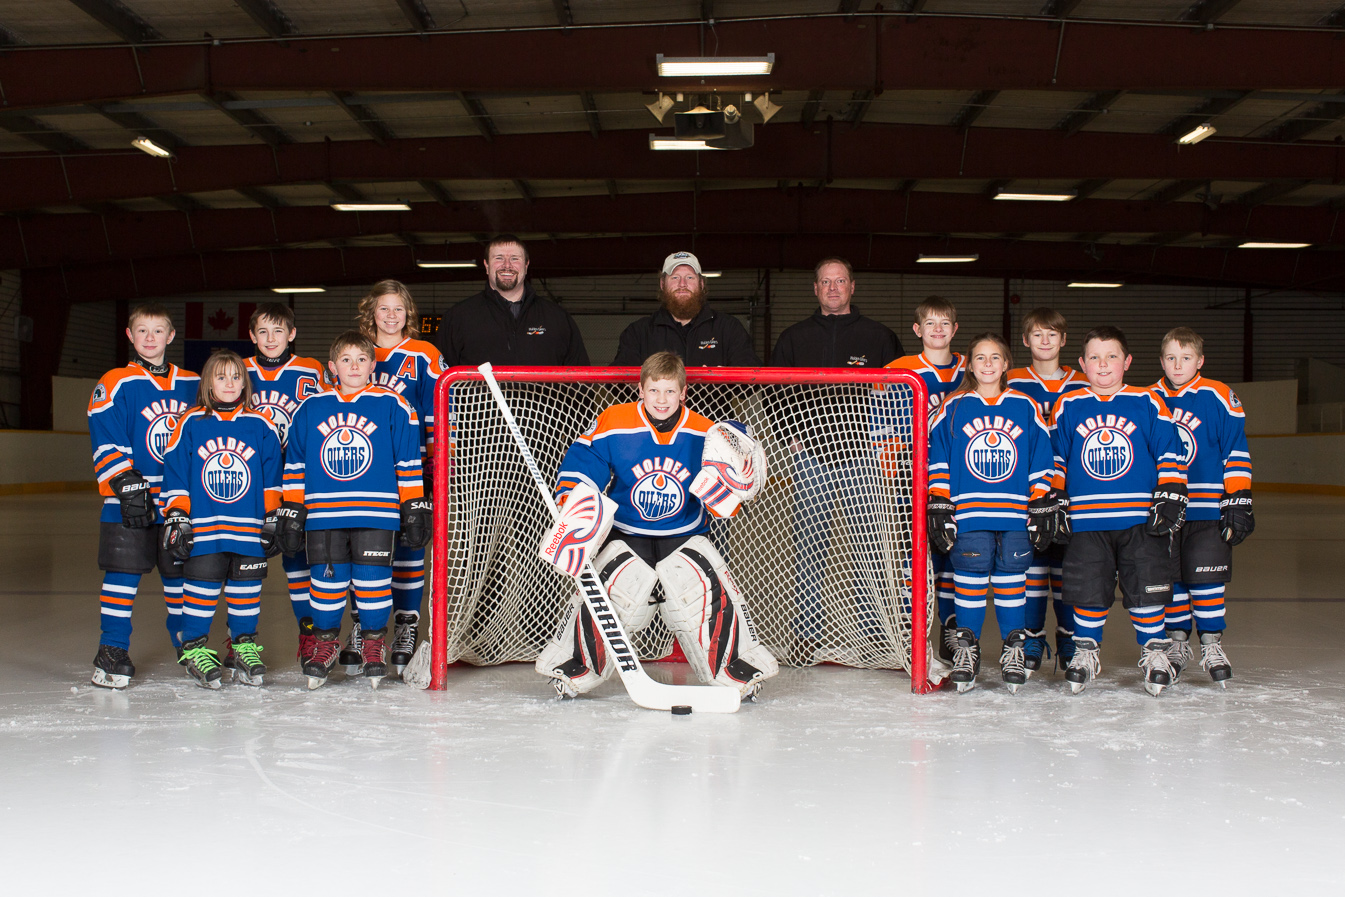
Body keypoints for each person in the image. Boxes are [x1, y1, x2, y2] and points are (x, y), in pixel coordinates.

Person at [534, 351, 778, 700]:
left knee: (705, 592)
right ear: (640, 390)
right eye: (653, 390)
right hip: (627, 532)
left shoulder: (705, 431)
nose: (661, 400)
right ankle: (575, 666)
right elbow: (586, 462)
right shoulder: (615, 421)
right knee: (609, 591)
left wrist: (731, 484)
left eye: (669, 391)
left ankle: (736, 667)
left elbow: (726, 494)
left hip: (684, 533)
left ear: (683, 393)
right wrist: (573, 501)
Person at [274, 331, 431, 689]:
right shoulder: (311, 407)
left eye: (361, 359)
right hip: (324, 515)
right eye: (346, 360)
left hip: (377, 513)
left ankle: (373, 646)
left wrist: (412, 505)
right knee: (326, 585)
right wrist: (293, 508)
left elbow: (407, 461)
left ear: (373, 365)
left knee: (372, 583)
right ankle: (326, 644)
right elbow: (295, 464)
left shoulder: (394, 405)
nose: (354, 366)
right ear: (332, 367)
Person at [771, 257, 904, 663]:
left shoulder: (879, 337)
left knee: (869, 551)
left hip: (863, 458)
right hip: (811, 457)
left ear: (852, 286)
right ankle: (806, 635)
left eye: (840, 281)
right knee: (809, 549)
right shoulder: (794, 338)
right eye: (825, 282)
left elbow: (900, 395)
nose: (832, 288)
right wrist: (791, 440)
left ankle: (875, 636)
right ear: (815, 289)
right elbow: (775, 393)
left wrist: (886, 444)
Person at [1050, 326, 1189, 696]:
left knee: (1147, 587)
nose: (1103, 364)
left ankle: (1155, 652)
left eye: (1111, 356)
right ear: (1082, 364)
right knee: (1088, 590)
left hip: (1140, 519)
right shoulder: (1069, 404)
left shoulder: (1147, 401)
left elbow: (1168, 451)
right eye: (1094, 357)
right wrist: (1055, 495)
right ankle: (1085, 652)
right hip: (1086, 521)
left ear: (1127, 362)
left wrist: (1172, 489)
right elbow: (1058, 457)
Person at [926, 333, 1056, 693]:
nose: (987, 364)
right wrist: (940, 500)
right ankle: (967, 650)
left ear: (1006, 363)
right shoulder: (954, 406)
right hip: (969, 513)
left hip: (1014, 513)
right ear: (970, 364)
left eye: (995, 357)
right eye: (980, 357)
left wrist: (1040, 498)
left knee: (1011, 577)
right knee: (969, 575)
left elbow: (1040, 455)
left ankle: (1013, 649)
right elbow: (939, 455)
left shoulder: (1024, 405)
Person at [87, 302, 199, 689]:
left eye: (158, 331)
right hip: (128, 500)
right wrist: (124, 482)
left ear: (171, 335)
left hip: (177, 503)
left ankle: (189, 644)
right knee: (122, 576)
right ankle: (112, 649)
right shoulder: (115, 381)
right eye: (142, 331)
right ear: (130, 335)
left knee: (181, 579)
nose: (150, 338)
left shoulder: (192, 383)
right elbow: (105, 433)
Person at [159, 350, 283, 688]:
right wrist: (177, 516)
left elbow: (272, 476)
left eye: (236, 377)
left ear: (245, 383)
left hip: (248, 528)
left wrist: (272, 517)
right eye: (221, 377)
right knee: (201, 588)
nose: (229, 383)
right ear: (208, 383)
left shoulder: (261, 424)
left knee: (247, 591)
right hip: (205, 528)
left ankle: (243, 647)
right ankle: (194, 648)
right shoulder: (191, 422)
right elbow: (176, 471)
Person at [354, 280, 448, 678]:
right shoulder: (356, 350)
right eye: (383, 308)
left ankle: (406, 625)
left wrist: (437, 459)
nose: (391, 316)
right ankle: (364, 626)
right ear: (370, 313)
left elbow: (438, 408)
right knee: (362, 544)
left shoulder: (424, 353)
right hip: (361, 467)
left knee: (410, 541)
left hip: (411, 466)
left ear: (408, 312)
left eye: (398, 308)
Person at [1150, 327, 1253, 686]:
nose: (1178, 365)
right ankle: (1177, 644)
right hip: (1165, 510)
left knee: (1207, 579)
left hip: (1207, 508)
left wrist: (1238, 498)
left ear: (1200, 361)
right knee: (1172, 580)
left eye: (1186, 358)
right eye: (1171, 358)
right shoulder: (1148, 398)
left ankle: (1211, 644)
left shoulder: (1219, 395)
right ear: (1161, 361)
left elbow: (1235, 450)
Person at [243, 303, 330, 664]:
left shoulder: (311, 370)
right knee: (245, 562)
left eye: (278, 331)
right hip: (249, 485)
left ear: (292, 334)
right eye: (263, 331)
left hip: (299, 482)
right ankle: (240, 638)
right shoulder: (238, 370)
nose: (270, 338)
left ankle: (310, 632)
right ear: (252, 336)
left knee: (298, 559)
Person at [1006, 307, 1091, 672]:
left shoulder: (1084, 382)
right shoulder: (1009, 380)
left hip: (1075, 491)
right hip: (1028, 490)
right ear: (1026, 340)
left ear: (1064, 339)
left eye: (1052, 334)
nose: (1045, 341)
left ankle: (1068, 637)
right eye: (1037, 334)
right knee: (1033, 568)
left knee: (1068, 569)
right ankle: (1032, 637)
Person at [885, 297, 965, 656]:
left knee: (955, 552)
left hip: (962, 475)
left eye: (944, 323)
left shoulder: (971, 366)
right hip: (912, 474)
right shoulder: (900, 369)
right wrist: (889, 469)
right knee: (914, 553)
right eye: (930, 323)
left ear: (955, 329)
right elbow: (882, 422)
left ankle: (951, 628)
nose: (937, 329)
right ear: (917, 330)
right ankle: (911, 631)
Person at [434, 234, 589, 367]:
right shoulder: (458, 317)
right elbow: (438, 378)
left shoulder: (558, 318)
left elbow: (580, 381)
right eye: (499, 258)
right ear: (486, 265)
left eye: (515, 258)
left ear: (526, 265)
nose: (507, 265)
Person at [612, 251, 759, 366]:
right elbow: (616, 385)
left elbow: (753, 379)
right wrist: (640, 379)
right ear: (662, 284)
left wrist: (725, 379)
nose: (682, 284)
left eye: (690, 277)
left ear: (701, 284)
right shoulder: (638, 332)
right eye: (675, 277)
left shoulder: (729, 328)